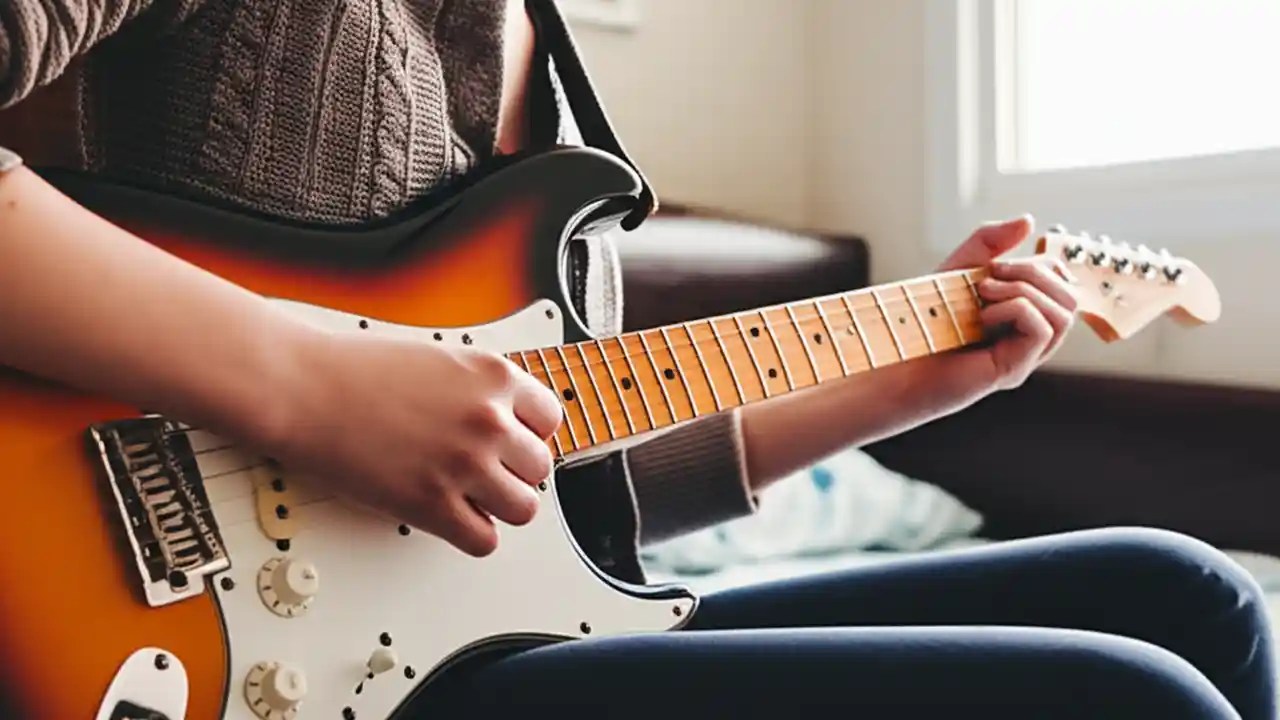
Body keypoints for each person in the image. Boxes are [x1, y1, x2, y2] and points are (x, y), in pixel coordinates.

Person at [0, 0, 1273, 717]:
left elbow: (563, 486)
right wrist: (306, 384)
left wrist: (909, 383)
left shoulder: (554, 88)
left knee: (1181, 590)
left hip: (444, 631)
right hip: (205, 656)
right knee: (1127, 699)